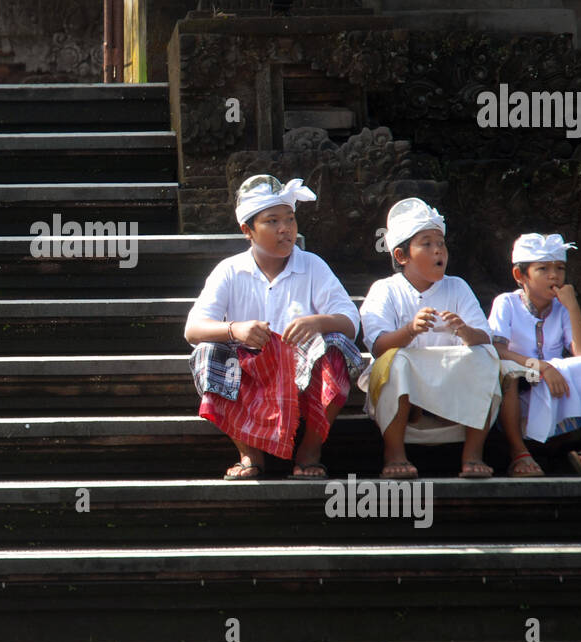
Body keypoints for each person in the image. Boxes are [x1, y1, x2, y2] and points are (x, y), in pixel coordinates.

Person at [185, 174, 363, 480]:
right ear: (248, 230)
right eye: (272, 221)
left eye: (290, 219)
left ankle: (310, 450)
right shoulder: (229, 270)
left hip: (301, 371)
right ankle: (248, 455)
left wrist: (316, 322)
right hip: (251, 373)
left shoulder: (312, 266)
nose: (285, 229)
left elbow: (350, 322)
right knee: (206, 352)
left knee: (337, 346)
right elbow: (192, 329)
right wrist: (235, 330)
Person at [358, 197, 502, 479]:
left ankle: (473, 454)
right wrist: (410, 330)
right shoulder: (384, 290)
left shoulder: (457, 286)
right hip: (405, 382)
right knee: (395, 361)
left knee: (486, 356)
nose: (439, 251)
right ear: (402, 256)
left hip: (451, 382)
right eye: (427, 244)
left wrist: (464, 331)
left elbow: (483, 336)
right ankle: (395, 454)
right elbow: (377, 347)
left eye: (441, 243)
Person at [488, 233, 581, 477]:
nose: (554, 276)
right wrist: (541, 367)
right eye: (543, 269)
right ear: (520, 275)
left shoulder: (562, 308)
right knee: (507, 374)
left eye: (560, 268)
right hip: (520, 386)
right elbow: (497, 350)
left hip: (554, 388)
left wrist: (572, 306)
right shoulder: (506, 303)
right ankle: (520, 455)